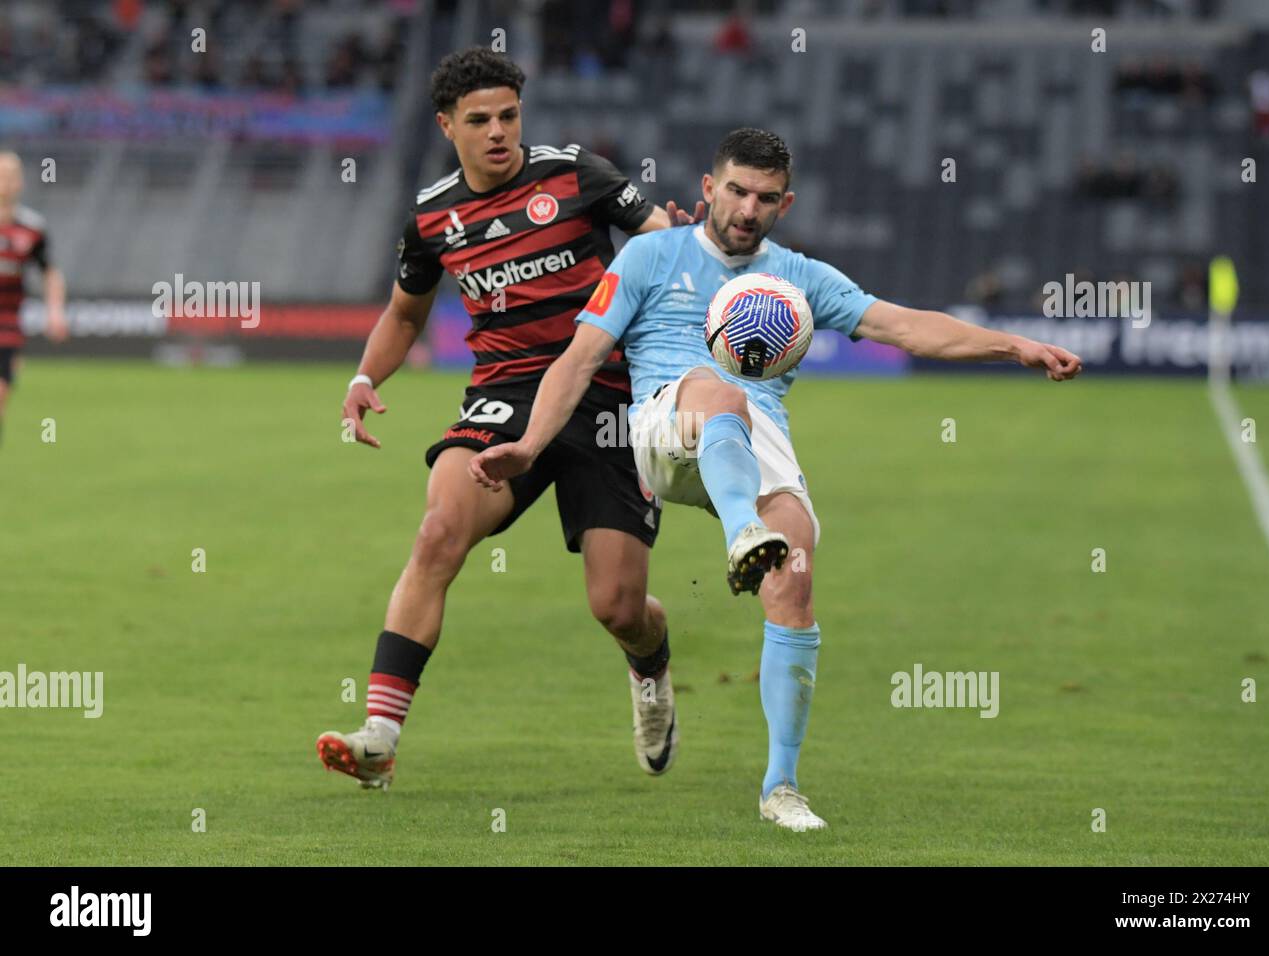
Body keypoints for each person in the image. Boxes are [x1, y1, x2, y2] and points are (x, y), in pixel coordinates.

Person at [469, 128, 1083, 830]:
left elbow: (906, 327)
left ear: (784, 204)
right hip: (671, 424)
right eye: (735, 190)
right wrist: (526, 446)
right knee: (718, 391)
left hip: (758, 440)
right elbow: (579, 360)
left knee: (793, 577)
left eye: (764, 197)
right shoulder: (651, 254)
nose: (747, 208)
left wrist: (1016, 346)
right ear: (708, 189)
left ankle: (781, 788)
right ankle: (741, 534)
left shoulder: (800, 277)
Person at [316, 48, 702, 790]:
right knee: (437, 534)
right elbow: (405, 312)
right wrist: (367, 375)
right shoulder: (432, 216)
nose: (499, 132)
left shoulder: (575, 174)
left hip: (603, 393)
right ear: (446, 126)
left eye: (509, 116)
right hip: (505, 395)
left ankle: (650, 666)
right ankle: (381, 737)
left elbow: (661, 239)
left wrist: (676, 241)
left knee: (617, 606)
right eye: (480, 120)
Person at [0, 151, 67, 449]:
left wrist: (55, 312)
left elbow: (50, 273)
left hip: (8, 327)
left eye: (11, 176)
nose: (5, 182)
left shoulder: (31, 228)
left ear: (20, 183)